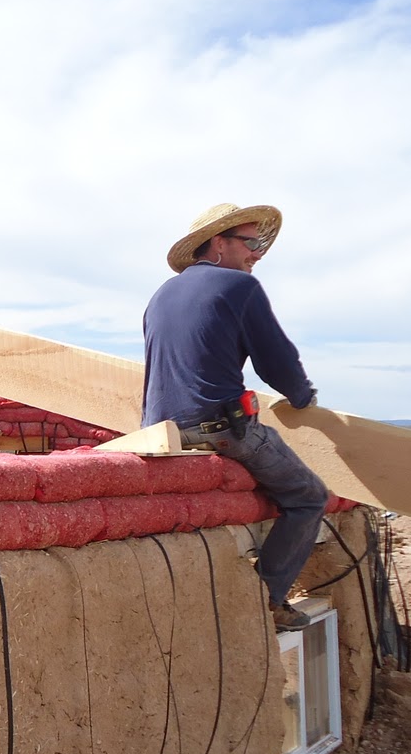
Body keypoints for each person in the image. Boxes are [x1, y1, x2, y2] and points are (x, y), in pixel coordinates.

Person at [141, 202, 329, 631]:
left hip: (161, 433)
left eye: (261, 244)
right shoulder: (239, 287)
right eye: (251, 242)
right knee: (309, 497)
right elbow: (277, 362)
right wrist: (303, 396)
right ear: (218, 243)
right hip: (220, 427)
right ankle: (266, 600)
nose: (258, 253)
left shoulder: (159, 297)